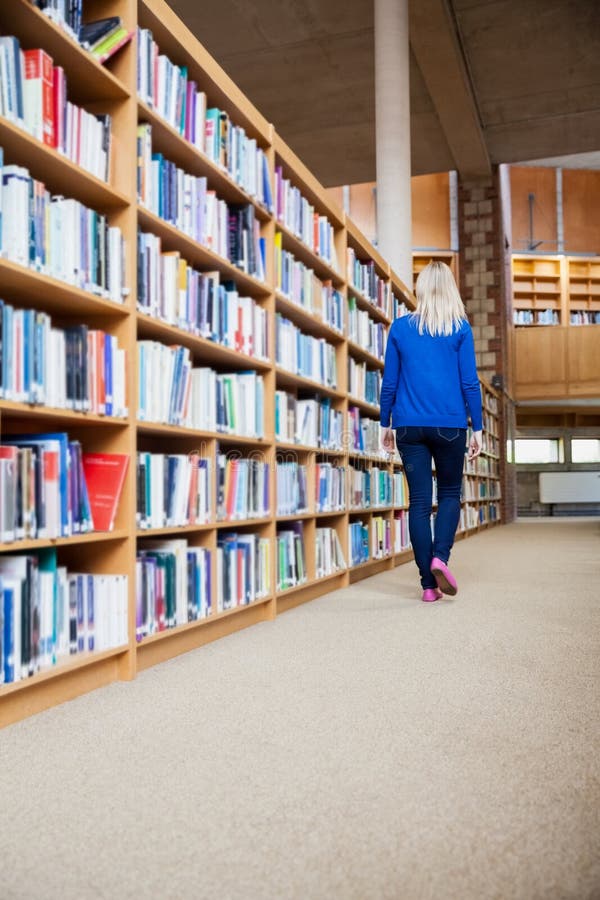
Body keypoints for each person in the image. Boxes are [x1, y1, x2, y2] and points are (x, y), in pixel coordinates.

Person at [380, 261, 482, 602]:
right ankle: (441, 557)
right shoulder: (460, 328)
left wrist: (385, 422)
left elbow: (390, 381)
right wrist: (478, 427)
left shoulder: (400, 327)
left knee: (419, 503)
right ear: (450, 288)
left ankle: (427, 585)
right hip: (451, 425)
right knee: (450, 493)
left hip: (409, 425)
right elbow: (469, 383)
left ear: (420, 288)